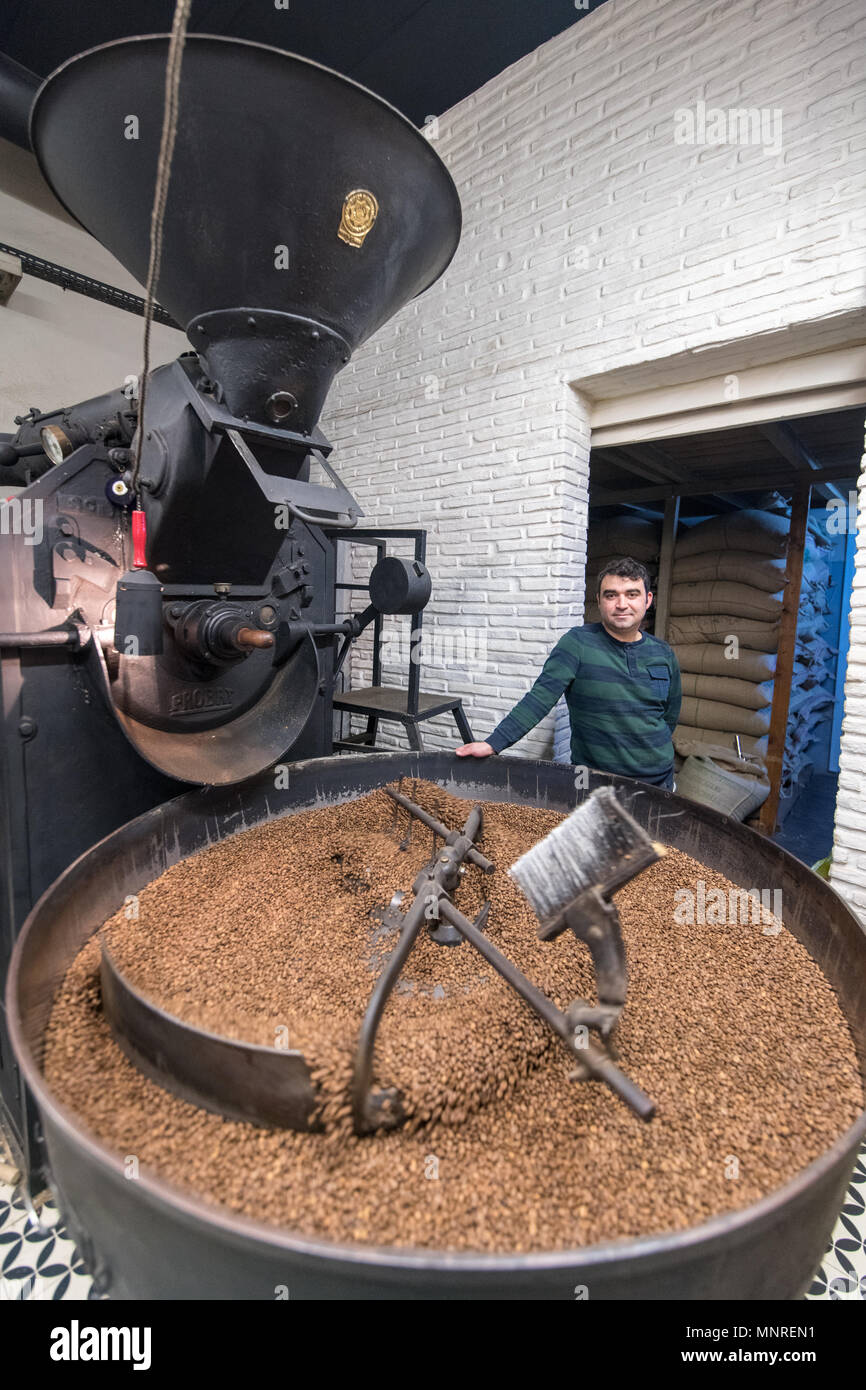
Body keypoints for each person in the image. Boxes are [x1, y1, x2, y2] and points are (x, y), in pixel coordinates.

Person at [455, 557, 682, 789]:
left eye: (632, 594)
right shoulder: (577, 644)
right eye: (611, 595)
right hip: (594, 780)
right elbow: (539, 698)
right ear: (599, 601)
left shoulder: (662, 653)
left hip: (658, 781)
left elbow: (669, 716)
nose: (621, 604)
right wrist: (493, 744)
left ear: (648, 600)